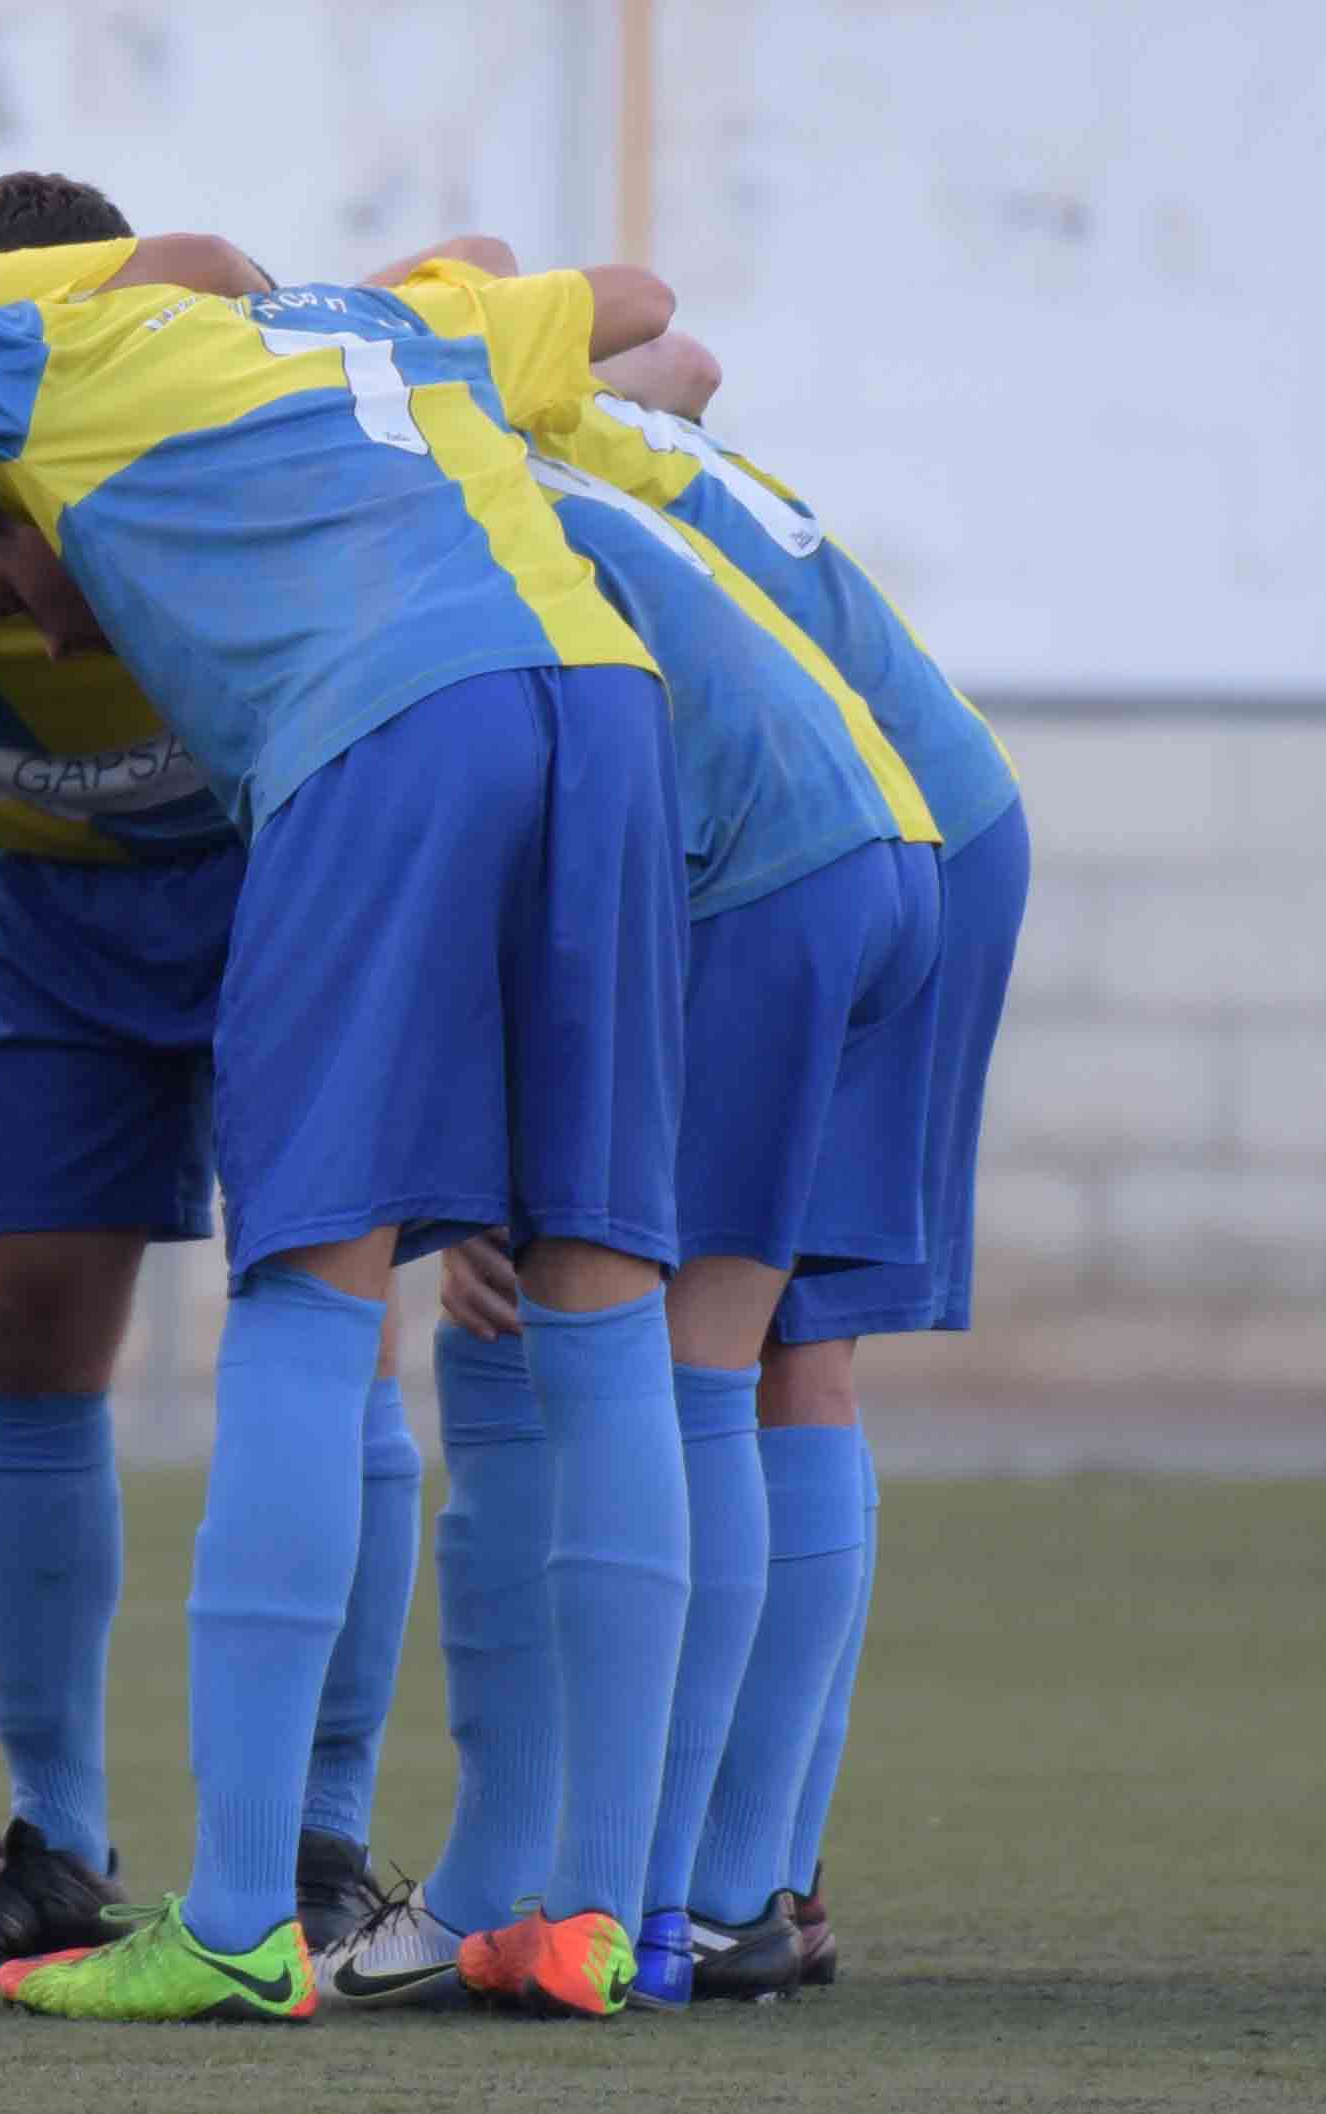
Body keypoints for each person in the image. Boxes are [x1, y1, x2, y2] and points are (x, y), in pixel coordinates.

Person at [0, 207, 687, 2019]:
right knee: (604, 1303)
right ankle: (599, 1916)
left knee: (310, 1307)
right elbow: (640, 302)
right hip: (598, 705)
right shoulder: (371, 332)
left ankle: (240, 1914)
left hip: (376, 727)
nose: (1, 609)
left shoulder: (37, 357)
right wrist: (403, 300)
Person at [324, 272, 947, 2010]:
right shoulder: (483, 433)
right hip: (882, 827)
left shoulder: (370, 503)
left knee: (629, 1370)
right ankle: (703, 1892)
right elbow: (672, 350)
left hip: (759, 865)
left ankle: (587, 1900)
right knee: (743, 1372)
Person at [0, 172, 416, 1974]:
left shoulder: (185, 418)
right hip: (49, 921)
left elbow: (227, 283)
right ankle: (54, 1837)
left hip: (279, 882)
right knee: (18, 1333)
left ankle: (324, 1835)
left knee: (329, 1331)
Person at [573, 331, 1033, 1991]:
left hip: (837, 831)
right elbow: (680, 349)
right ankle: (755, 1872)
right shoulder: (602, 419)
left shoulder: (495, 444)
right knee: (789, 1342)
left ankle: (718, 1882)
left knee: (745, 1330)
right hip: (928, 809)